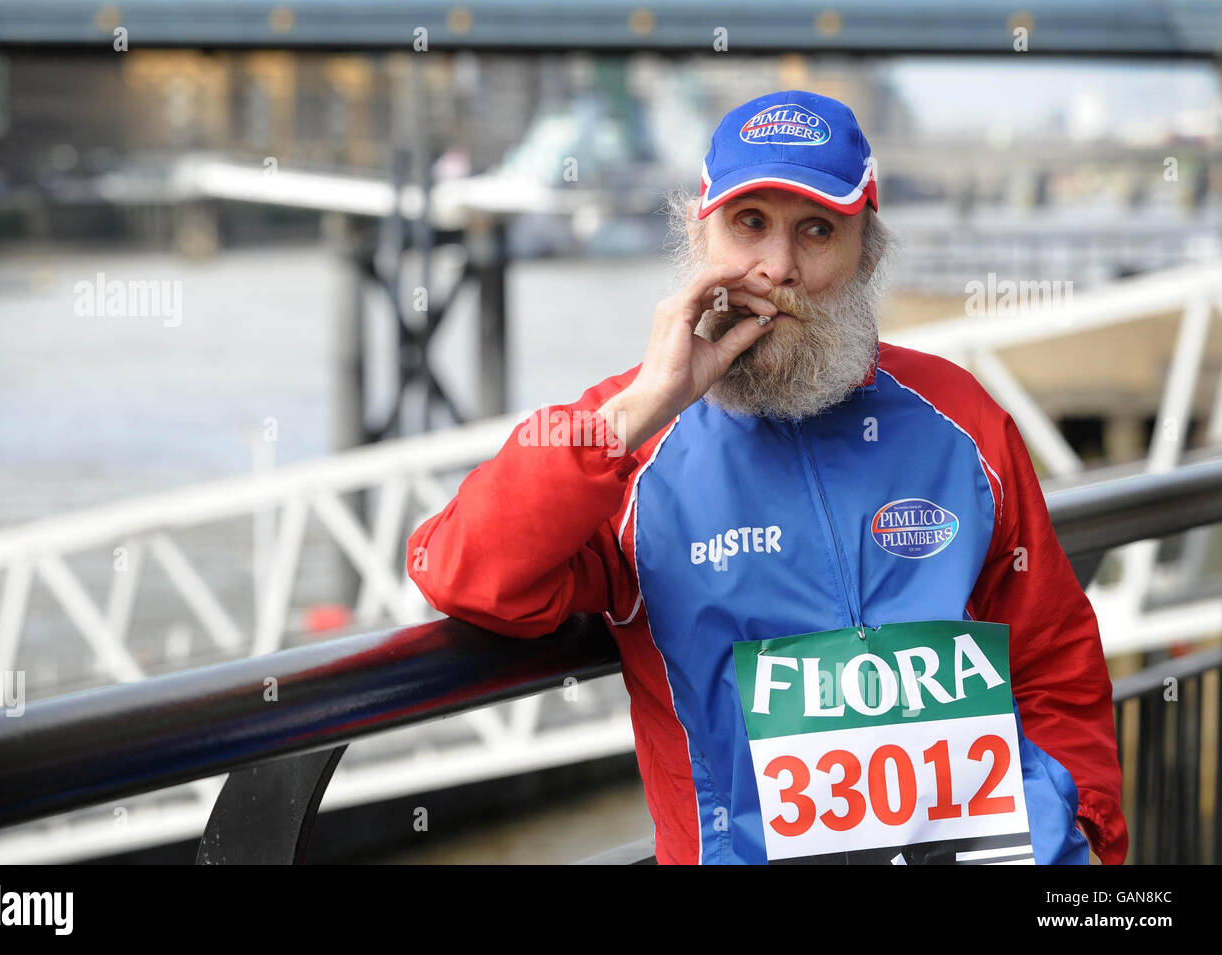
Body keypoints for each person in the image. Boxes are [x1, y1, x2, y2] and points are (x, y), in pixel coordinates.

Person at [406, 90, 1127, 865]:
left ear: (868, 252)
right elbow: (463, 571)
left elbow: (1054, 661)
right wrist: (640, 406)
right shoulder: (631, 447)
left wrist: (1079, 833)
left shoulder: (962, 421)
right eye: (750, 225)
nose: (778, 267)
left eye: (817, 231)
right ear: (700, 236)